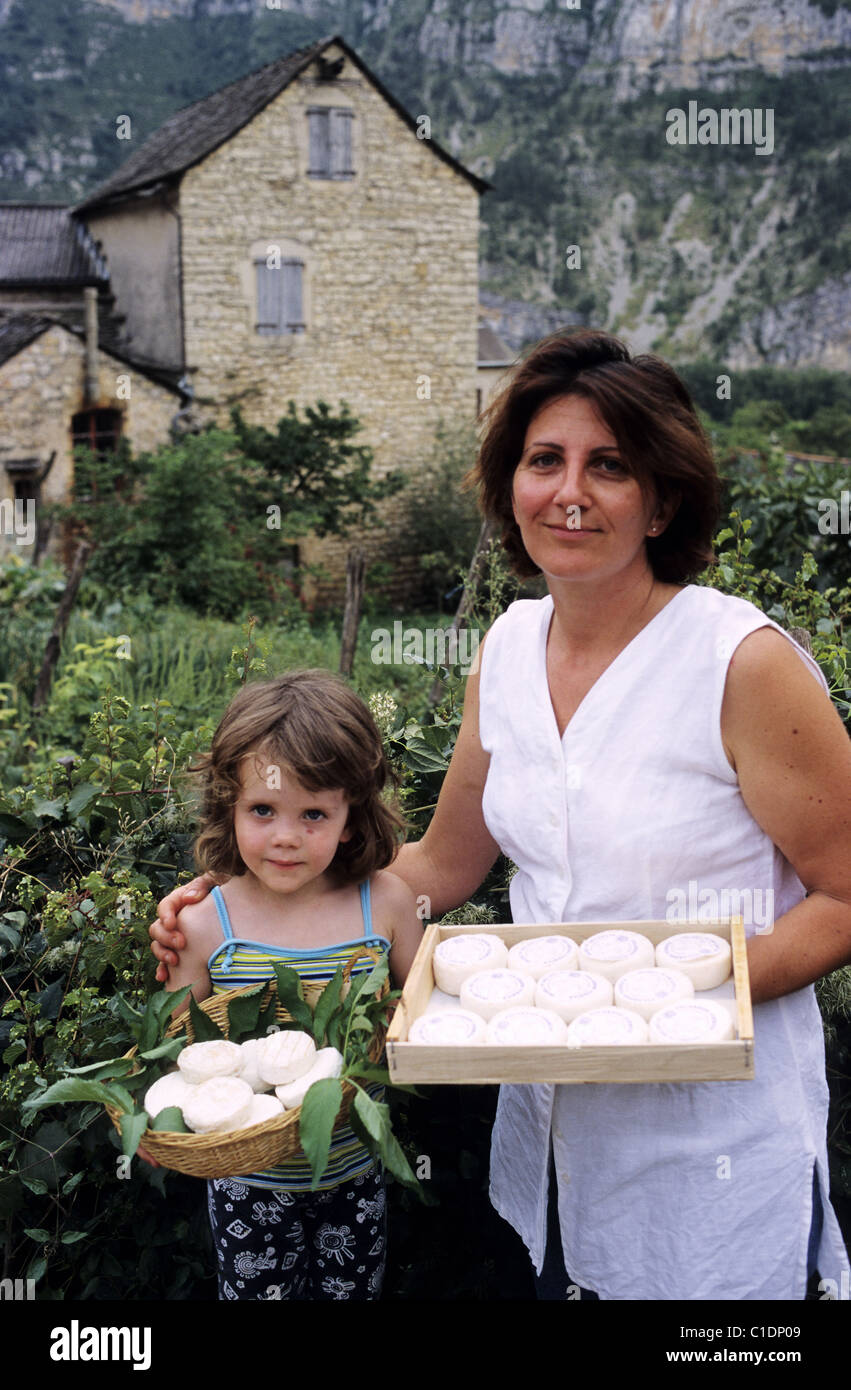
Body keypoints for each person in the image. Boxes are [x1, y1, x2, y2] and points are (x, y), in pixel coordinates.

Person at [151, 328, 851, 1301]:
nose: (569, 491)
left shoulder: (738, 662)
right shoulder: (509, 649)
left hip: (711, 1139)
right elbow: (441, 864)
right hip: (556, 1130)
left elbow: (842, 895)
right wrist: (255, 901)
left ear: (661, 498)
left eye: (608, 466)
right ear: (508, 483)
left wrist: (660, 997)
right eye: (543, 459)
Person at [152, 668, 422, 1301]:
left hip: (355, 1169)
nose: (284, 836)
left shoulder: (384, 905)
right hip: (248, 1180)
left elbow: (424, 1010)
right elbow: (176, 1055)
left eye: (314, 813)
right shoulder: (204, 924)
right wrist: (158, 1126)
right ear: (231, 806)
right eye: (263, 809)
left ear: (351, 817)